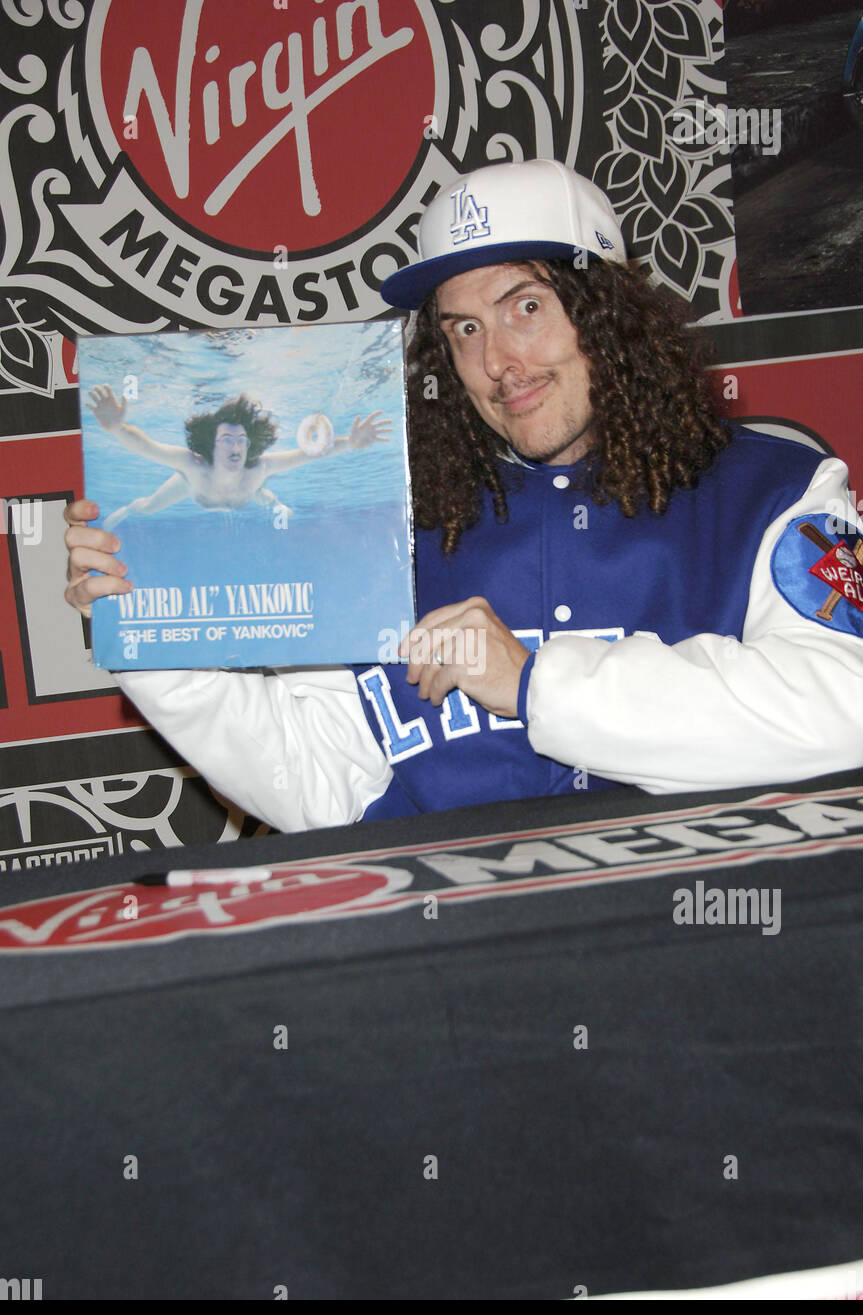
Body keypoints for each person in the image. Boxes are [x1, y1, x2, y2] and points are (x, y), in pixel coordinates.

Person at [65, 160, 863, 833]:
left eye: (525, 307)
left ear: (609, 313)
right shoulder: (382, 518)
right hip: (449, 967)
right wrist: (152, 635)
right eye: (464, 330)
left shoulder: (772, 489)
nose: (499, 363)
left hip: (692, 957)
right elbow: (320, 780)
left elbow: (843, 706)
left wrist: (533, 680)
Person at [85, 387, 389, 529]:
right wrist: (117, 428)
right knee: (149, 507)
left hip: (247, 491)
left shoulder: (258, 469)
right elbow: (147, 447)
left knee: (262, 493)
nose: (236, 447)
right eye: (227, 440)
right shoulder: (193, 466)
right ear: (211, 446)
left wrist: (350, 443)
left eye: (242, 440)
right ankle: (128, 510)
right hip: (194, 489)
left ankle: (273, 503)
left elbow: (310, 453)